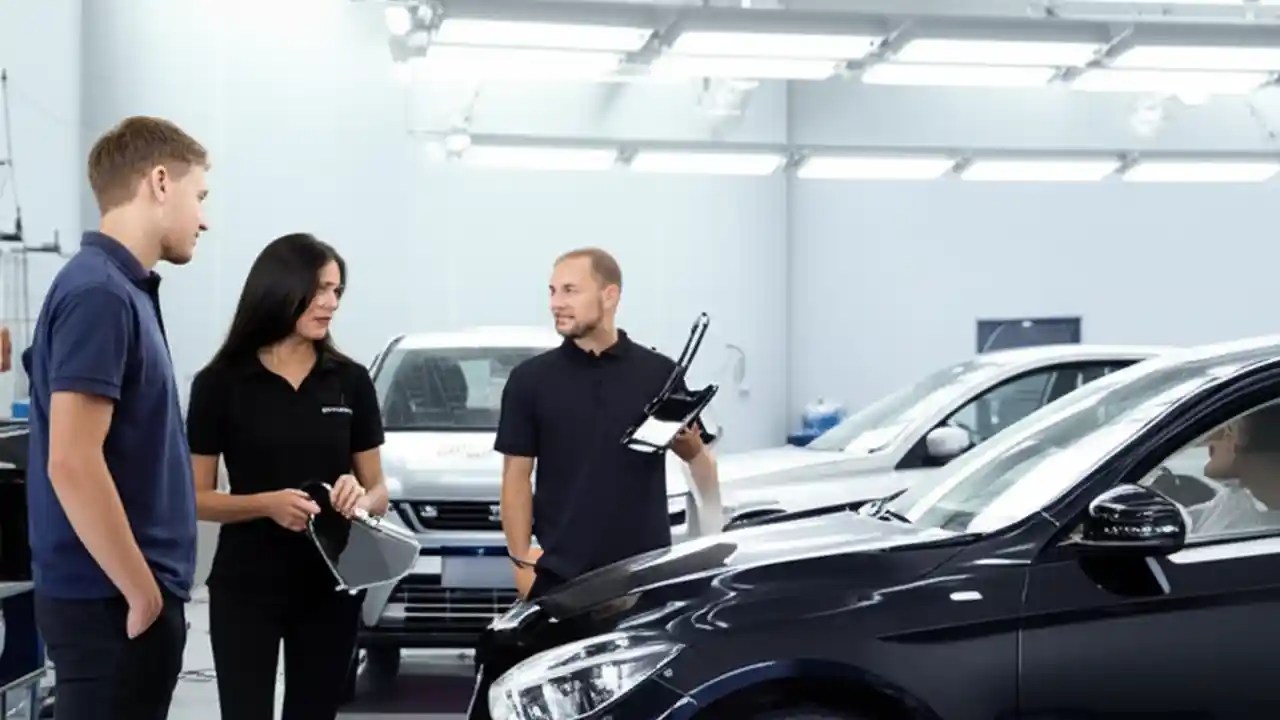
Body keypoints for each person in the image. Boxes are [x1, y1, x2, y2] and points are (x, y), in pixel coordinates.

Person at [467, 247, 722, 717]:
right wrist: (521, 562)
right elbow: (516, 478)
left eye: (570, 290)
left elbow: (705, 474)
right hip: (561, 580)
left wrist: (695, 455)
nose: (556, 302)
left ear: (610, 295)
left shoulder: (660, 373)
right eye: (552, 291)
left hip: (648, 580)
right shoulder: (530, 381)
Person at [20, 116, 209, 720]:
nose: (203, 218)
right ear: (160, 182)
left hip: (120, 598)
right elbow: (72, 461)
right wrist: (141, 593)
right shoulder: (99, 293)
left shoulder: (121, 291)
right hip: (112, 602)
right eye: (199, 195)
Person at [185, 232, 389, 720]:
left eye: (337, 291)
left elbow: (379, 492)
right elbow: (195, 498)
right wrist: (265, 504)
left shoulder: (350, 379)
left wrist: (360, 497)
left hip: (332, 586)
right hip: (246, 586)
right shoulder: (219, 384)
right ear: (281, 288)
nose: (331, 302)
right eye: (320, 289)